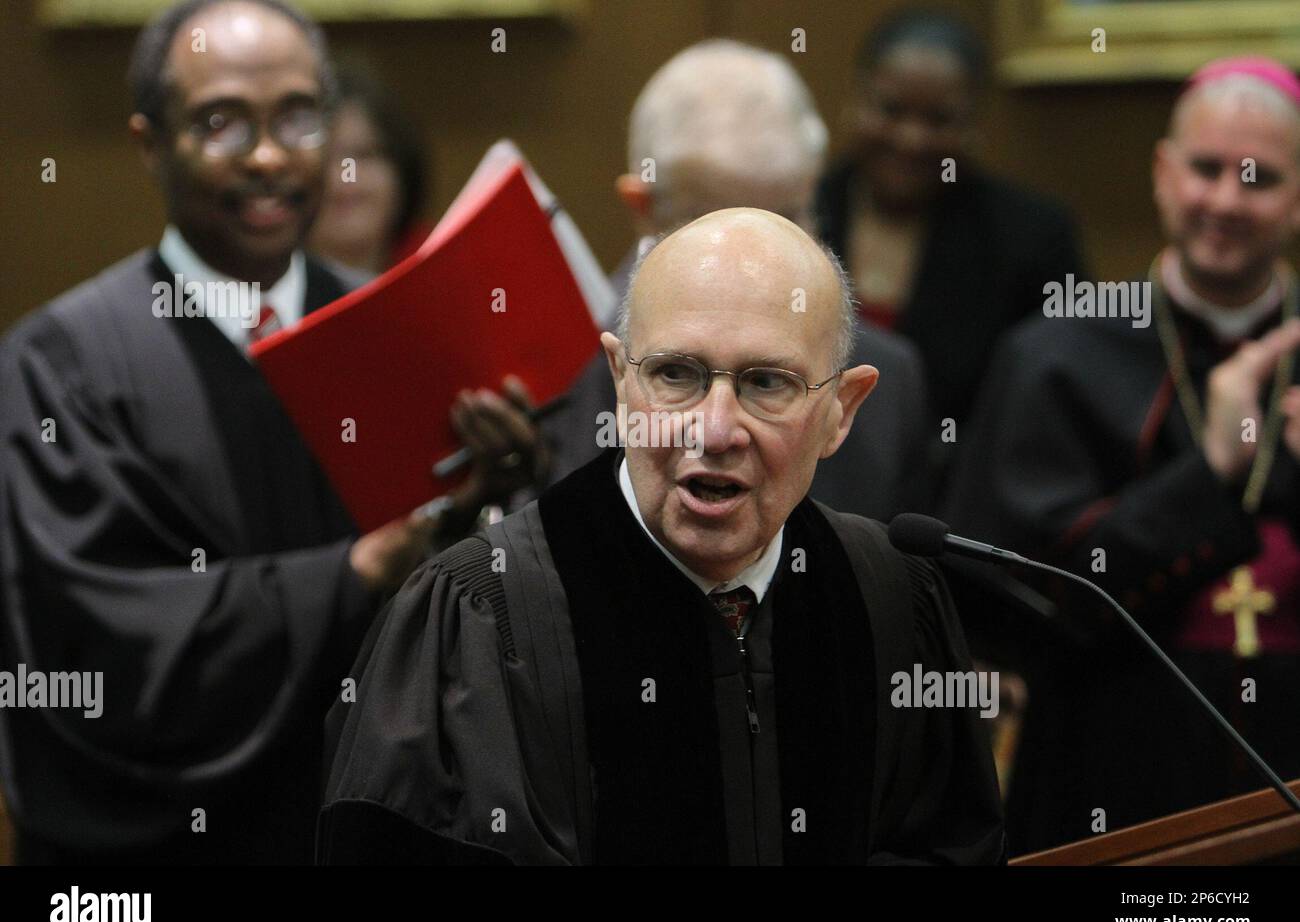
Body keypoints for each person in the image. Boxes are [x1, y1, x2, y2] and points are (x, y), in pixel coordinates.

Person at [0, 0, 539, 864]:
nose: (266, 157)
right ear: (149, 143)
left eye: (297, 117)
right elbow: (94, 643)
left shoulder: (394, 334)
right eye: (220, 123)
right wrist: (357, 570)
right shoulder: (61, 365)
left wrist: (498, 497)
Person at [319, 208, 1005, 865]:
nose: (713, 429)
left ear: (841, 410)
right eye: (676, 374)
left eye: (767, 383)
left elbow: (946, 847)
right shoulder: (478, 614)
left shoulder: (887, 593)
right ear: (621, 383)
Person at [946, 57, 1300, 850]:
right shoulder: (1055, 356)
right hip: (1109, 765)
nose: (1224, 201)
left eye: (1260, 179)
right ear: (1163, 174)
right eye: (1205, 170)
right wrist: (1210, 474)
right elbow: (1022, 606)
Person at [544, 39, 931, 520]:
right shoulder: (547, 373)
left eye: (787, 219)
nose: (759, 254)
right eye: (718, 224)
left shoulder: (886, 376)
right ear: (644, 210)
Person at [815, 8, 1085, 486]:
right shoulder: (801, 215)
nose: (911, 138)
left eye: (938, 119)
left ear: (973, 125)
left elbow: (1054, 404)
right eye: (891, 110)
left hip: (963, 511)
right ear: (856, 103)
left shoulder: (1031, 237)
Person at [307, 63, 433, 276]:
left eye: (364, 154)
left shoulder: (448, 267)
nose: (346, 177)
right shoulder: (253, 293)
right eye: (326, 158)